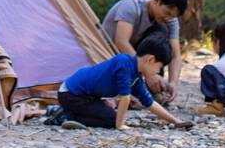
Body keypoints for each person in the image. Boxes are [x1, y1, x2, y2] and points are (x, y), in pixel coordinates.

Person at [55, 34, 192, 130]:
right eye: (159, 67)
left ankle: (67, 112)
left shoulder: (136, 76)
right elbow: (125, 97)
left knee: (109, 113)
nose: (158, 71)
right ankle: (63, 116)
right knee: (111, 119)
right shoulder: (124, 62)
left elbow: (149, 102)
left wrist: (176, 121)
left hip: (86, 96)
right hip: (70, 94)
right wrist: (119, 125)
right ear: (150, 59)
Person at [101, 0, 187, 103]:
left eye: (173, 16)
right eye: (167, 13)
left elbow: (176, 55)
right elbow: (121, 42)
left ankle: (155, 88)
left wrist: (173, 83)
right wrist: (148, 73)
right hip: (109, 53)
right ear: (157, 0)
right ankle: (140, 87)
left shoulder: (170, 19)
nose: (169, 18)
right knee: (160, 31)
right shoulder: (132, 5)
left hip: (136, 56)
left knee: (161, 32)